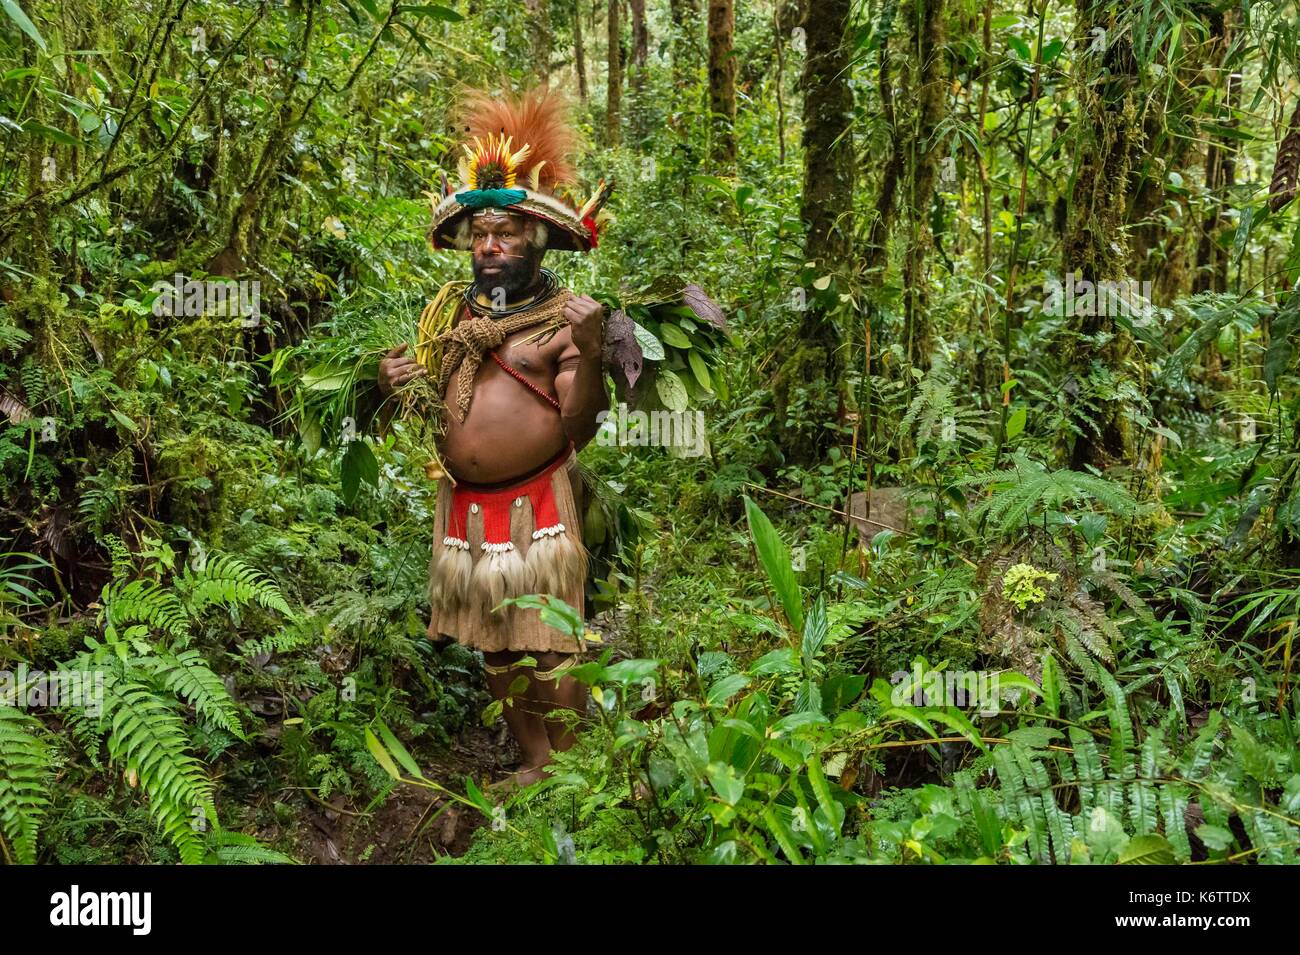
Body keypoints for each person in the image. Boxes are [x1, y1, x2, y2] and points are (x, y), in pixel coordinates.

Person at [378, 88, 613, 787]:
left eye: (505, 233)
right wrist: (398, 384)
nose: (488, 246)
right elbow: (433, 414)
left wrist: (594, 353)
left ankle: (569, 771)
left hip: (534, 505)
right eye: (478, 234)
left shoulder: (565, 322)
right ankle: (534, 758)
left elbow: (581, 426)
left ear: (535, 240)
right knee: (494, 645)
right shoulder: (448, 319)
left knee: (547, 643)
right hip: (466, 512)